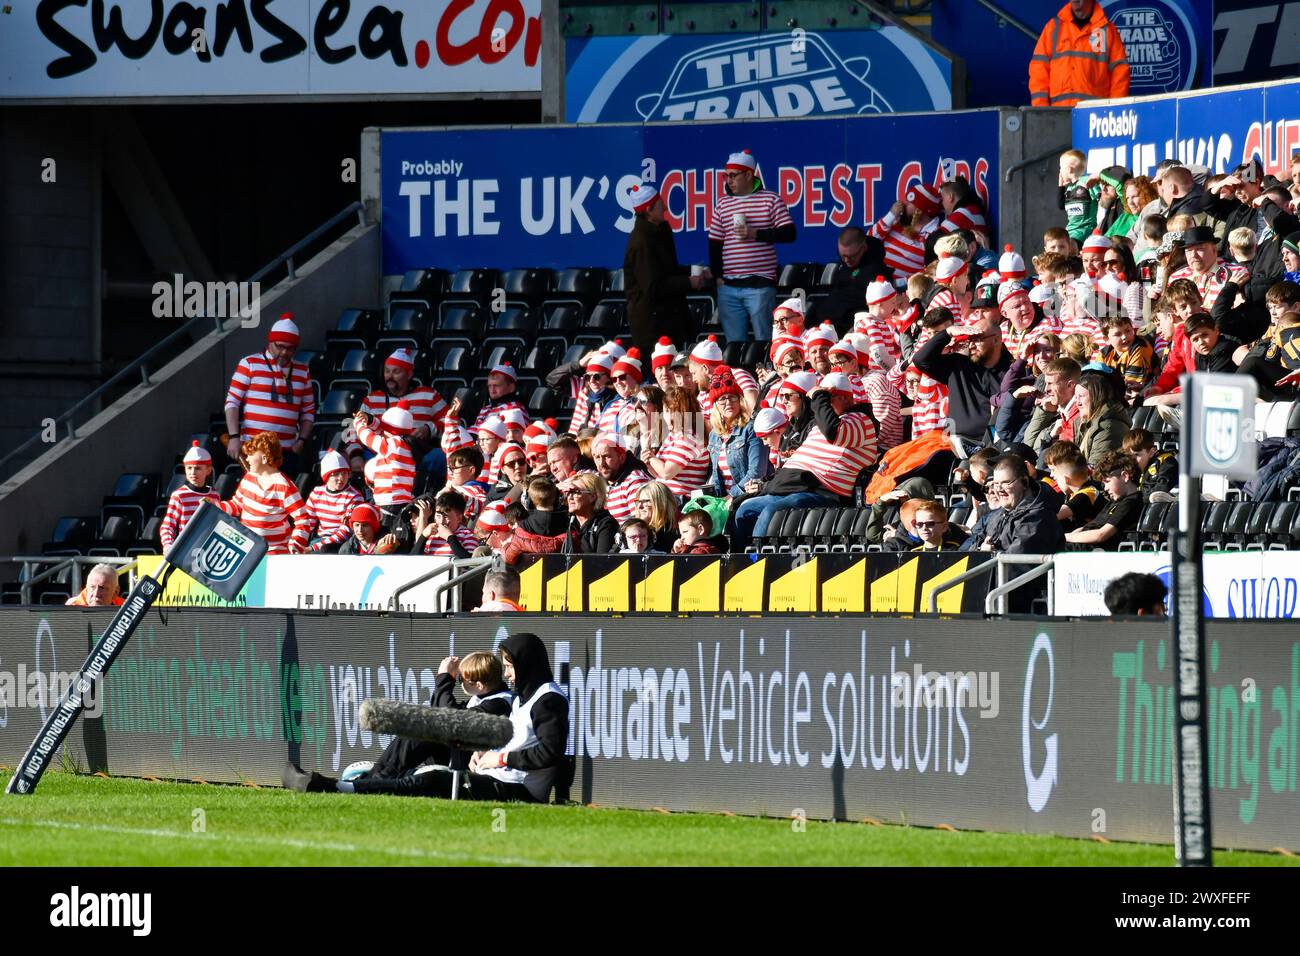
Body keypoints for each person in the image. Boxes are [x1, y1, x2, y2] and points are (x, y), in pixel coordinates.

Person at [289, 634, 569, 803]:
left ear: (526, 665)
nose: (508, 674)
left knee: (434, 780)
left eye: (511, 667)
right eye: (506, 668)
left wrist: (501, 759)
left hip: (516, 789)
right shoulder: (523, 696)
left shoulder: (548, 700)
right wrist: (488, 752)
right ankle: (363, 782)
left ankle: (337, 787)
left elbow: (550, 752)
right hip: (495, 774)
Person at [731, 373, 879, 549]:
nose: (820, 406)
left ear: (841, 397)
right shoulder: (825, 423)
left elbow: (834, 433)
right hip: (792, 486)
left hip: (820, 491)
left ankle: (758, 563)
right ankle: (737, 562)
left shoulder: (862, 421)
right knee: (745, 510)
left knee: (772, 513)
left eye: (825, 399)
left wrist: (818, 396)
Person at [707, 149, 796, 343]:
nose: (728, 181)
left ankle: (767, 372)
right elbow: (715, 242)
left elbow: (789, 233)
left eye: (733, 176)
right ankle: (739, 374)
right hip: (729, 287)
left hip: (760, 284)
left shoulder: (770, 199)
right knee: (735, 343)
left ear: (748, 174)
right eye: (726, 176)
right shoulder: (723, 204)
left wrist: (756, 233)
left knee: (765, 340)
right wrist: (718, 277)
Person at [223, 314, 315, 474]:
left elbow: (308, 411)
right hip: (253, 451)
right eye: (280, 346)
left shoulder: (302, 371)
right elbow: (232, 403)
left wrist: (301, 441)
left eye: (290, 348)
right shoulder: (249, 363)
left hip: (286, 453)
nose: (284, 352)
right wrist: (234, 437)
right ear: (270, 342)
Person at [623, 181, 706, 357]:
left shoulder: (660, 232)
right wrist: (688, 282)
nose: (666, 208)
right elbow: (653, 286)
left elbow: (669, 270)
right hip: (652, 327)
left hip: (670, 319)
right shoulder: (641, 243)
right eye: (661, 204)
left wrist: (694, 272)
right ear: (649, 210)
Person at [912, 312, 1011, 454]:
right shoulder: (958, 365)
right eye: (969, 340)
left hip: (995, 448)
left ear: (996, 341)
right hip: (956, 445)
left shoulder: (1011, 372)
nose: (971, 345)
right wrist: (948, 333)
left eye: (977, 339)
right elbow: (921, 360)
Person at [347, 347, 446, 478]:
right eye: (387, 371)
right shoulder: (372, 399)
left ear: (409, 374)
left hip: (418, 455)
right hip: (378, 454)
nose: (389, 376)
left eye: (396, 372)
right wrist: (355, 455)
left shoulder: (429, 395)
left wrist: (429, 429)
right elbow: (352, 430)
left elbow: (451, 421)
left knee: (443, 457)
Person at [217, 430, 308, 554]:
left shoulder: (284, 486)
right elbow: (236, 506)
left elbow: (303, 518)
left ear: (264, 458)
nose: (247, 459)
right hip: (248, 551)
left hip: (275, 554)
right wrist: (214, 505)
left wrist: (296, 542)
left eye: (250, 454)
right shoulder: (249, 478)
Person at [1029, 0, 1129, 108]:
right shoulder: (1053, 28)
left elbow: (1120, 73)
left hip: (1093, 117)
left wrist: (1114, 110)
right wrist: (1041, 110)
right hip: (1057, 115)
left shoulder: (1108, 31)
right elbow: (1038, 70)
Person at [979, 454, 1065, 554]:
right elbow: (974, 542)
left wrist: (990, 555)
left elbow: (1015, 564)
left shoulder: (1037, 519)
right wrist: (980, 547)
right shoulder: (999, 514)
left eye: (1005, 483)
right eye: (996, 484)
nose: (998, 490)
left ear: (1025, 482)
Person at [703, 367, 766, 502]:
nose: (728, 402)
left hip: (747, 496)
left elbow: (756, 472)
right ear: (716, 406)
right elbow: (715, 474)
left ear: (739, 400)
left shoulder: (751, 429)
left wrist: (730, 496)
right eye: (722, 399)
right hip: (724, 498)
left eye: (732, 397)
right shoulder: (714, 435)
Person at [352, 402, 417, 527]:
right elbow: (383, 428)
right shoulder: (403, 443)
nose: (380, 432)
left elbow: (367, 437)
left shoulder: (393, 444)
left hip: (390, 503)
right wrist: (369, 419)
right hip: (399, 501)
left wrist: (358, 423)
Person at [821, 225, 895, 333]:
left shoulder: (877, 272)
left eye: (852, 256)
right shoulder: (845, 268)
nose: (847, 260)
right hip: (827, 325)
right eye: (843, 256)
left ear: (864, 248)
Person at [1065, 451, 1144, 550]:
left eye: (1107, 481)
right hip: (1079, 546)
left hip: (1093, 552)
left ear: (1125, 476)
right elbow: (1091, 525)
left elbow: (1101, 535)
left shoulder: (1131, 502)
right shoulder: (1115, 501)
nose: (1105, 488)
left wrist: (1063, 537)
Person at [645, 385, 711, 496]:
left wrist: (650, 457)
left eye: (671, 410)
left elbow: (667, 473)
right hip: (666, 496)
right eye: (666, 410)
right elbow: (660, 474)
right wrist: (648, 459)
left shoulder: (689, 437)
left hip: (681, 500)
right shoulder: (674, 435)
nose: (667, 415)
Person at [294, 451, 365, 553]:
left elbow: (345, 531)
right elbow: (307, 523)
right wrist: (297, 543)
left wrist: (312, 548)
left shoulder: (355, 496)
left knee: (323, 551)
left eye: (344, 473)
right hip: (319, 539)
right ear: (326, 477)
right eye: (336, 474)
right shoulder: (316, 493)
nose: (341, 478)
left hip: (342, 542)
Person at [1167, 225, 1249, 310]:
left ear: (1214, 249)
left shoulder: (1235, 273)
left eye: (1199, 249)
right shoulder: (1176, 278)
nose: (1193, 255)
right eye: (1189, 251)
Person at [870, 185, 942, 280]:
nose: (904, 203)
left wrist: (901, 284)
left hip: (902, 290)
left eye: (909, 202)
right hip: (875, 282)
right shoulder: (897, 221)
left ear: (919, 210)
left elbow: (930, 271)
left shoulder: (934, 236)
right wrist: (890, 216)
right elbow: (869, 242)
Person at [159, 441, 219, 553]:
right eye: (189, 468)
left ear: (208, 470)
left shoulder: (214, 495)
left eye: (198, 468)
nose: (192, 472)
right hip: (186, 550)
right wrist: (168, 545)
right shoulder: (179, 495)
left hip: (209, 550)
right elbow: (168, 525)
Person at [1043, 441, 1103, 531]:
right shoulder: (1073, 493)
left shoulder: (1089, 492)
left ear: (1066, 479)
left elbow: (1056, 514)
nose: (1051, 475)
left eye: (1053, 470)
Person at [1074, 373, 1131, 468]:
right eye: (1076, 397)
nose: (1077, 403)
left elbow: (1096, 470)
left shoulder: (1108, 427)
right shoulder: (1086, 422)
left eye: (1081, 396)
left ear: (1097, 397)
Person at [591, 432, 650, 525]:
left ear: (622, 458)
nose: (601, 463)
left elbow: (641, 525)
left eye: (606, 456)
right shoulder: (600, 481)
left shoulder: (635, 481)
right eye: (597, 457)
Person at [561, 472, 618, 554]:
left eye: (575, 491)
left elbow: (602, 562)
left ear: (592, 496)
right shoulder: (570, 523)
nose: (570, 497)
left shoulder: (607, 525)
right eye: (568, 492)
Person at [412, 491, 479, 558]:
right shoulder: (432, 535)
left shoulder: (468, 536)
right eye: (438, 516)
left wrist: (449, 538)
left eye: (446, 516)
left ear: (459, 518)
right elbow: (413, 560)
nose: (441, 522)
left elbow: (469, 564)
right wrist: (423, 536)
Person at [630, 480, 680, 552]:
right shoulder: (630, 528)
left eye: (645, 501)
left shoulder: (676, 532)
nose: (639, 506)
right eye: (638, 502)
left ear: (662, 504)